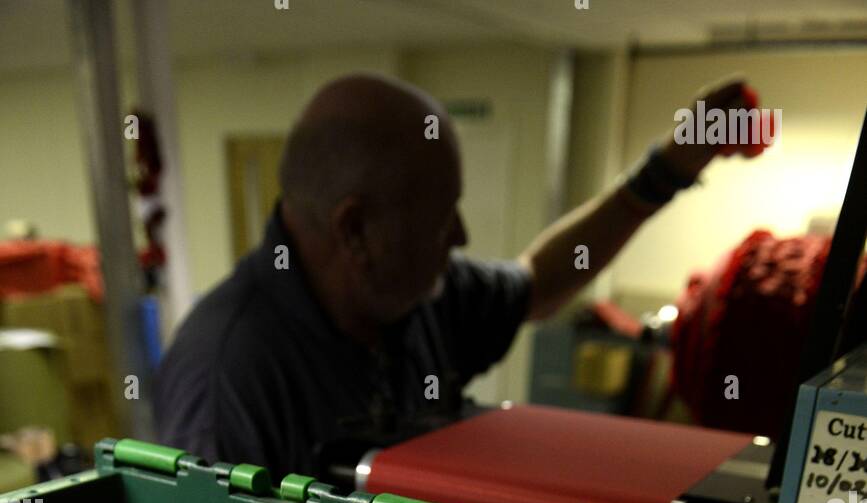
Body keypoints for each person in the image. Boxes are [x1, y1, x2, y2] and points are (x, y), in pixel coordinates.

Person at [154, 72, 761, 479]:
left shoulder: (414, 294)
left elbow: (538, 283)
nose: (462, 237)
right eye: (442, 218)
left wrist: (666, 170)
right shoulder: (227, 384)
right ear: (355, 230)